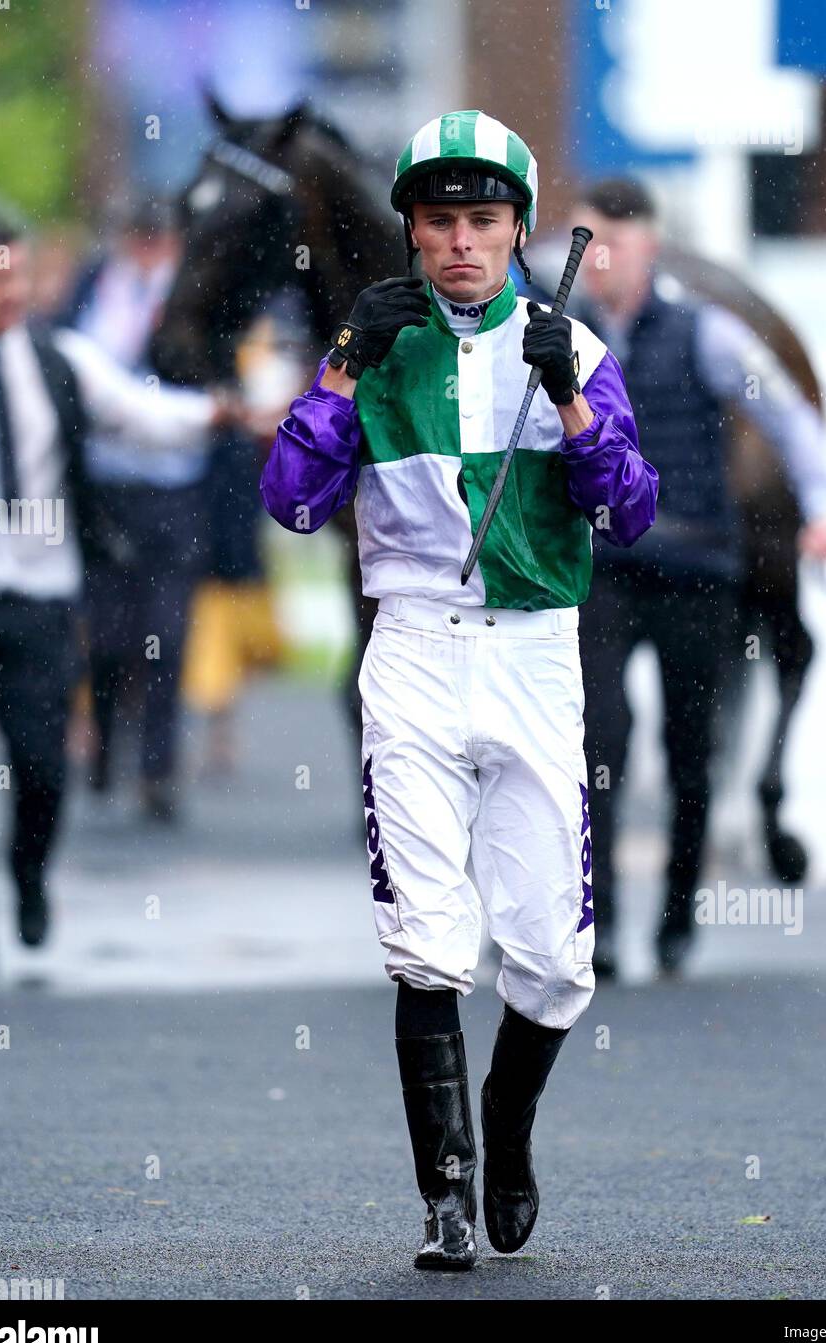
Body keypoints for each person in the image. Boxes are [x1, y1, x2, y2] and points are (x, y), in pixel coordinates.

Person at [260, 110, 658, 1270]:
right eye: (439, 223)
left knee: (553, 963)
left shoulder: (573, 351)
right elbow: (289, 502)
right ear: (412, 233)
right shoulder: (370, 346)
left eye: (483, 222)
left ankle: (510, 1118)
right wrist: (339, 371)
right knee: (425, 941)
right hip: (416, 652)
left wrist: (573, 406)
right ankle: (445, 1191)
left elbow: (628, 509)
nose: (460, 246)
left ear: (519, 228)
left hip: (536, 652)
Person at [565, 179, 826, 979]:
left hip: (694, 567)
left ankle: (676, 920)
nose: (598, 262)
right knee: (597, 746)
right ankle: (603, 925)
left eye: (612, 244)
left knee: (689, 751)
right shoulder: (562, 334)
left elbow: (789, 417)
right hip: (604, 569)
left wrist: (825, 506)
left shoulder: (708, 335)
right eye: (585, 244)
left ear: (648, 246)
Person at [0, 218, 238, 982]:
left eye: (19, 276)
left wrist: (223, 413)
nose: (11, 292)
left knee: (43, 766)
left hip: (41, 597)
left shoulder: (58, 360)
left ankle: (31, 878)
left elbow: (141, 415)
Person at [56, 198, 214, 819]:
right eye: (139, 240)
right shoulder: (97, 287)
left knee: (168, 633)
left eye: (158, 241)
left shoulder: (198, 294)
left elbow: (202, 368)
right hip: (109, 488)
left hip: (176, 487)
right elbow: (78, 368)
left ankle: (158, 769)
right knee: (110, 633)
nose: (148, 251)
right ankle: (103, 748)